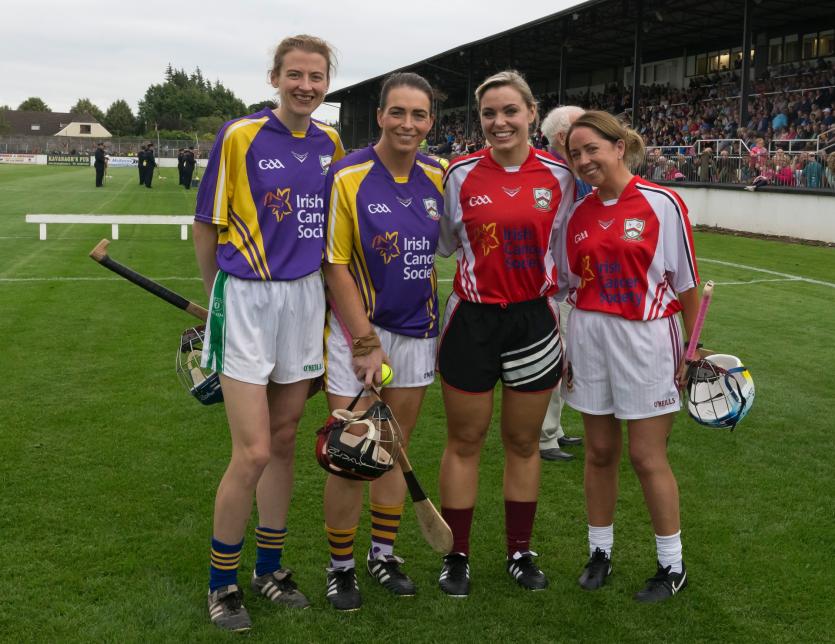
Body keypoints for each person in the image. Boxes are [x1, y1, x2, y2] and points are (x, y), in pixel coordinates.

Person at [193, 34, 345, 632]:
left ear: (327, 82)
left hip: (306, 300)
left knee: (283, 442)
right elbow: (207, 225)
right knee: (252, 449)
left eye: (316, 76)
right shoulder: (241, 136)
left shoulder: (332, 142)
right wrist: (214, 304)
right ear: (274, 77)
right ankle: (221, 583)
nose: (305, 86)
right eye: (295, 75)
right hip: (248, 297)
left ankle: (270, 568)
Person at [436, 70, 574, 597]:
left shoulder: (560, 177)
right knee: (464, 441)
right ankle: (457, 555)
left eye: (510, 111)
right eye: (489, 113)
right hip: (471, 320)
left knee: (522, 443)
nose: (500, 122)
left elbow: (564, 251)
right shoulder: (459, 173)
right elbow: (448, 243)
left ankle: (520, 551)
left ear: (531, 114)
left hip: (533, 321)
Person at [559, 110, 702, 603]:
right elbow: (567, 283)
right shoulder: (577, 213)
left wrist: (692, 345)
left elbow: (686, 284)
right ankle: (600, 551)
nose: (583, 161)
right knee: (599, 452)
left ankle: (671, 564)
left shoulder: (662, 203)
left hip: (645, 337)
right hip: (588, 336)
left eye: (591, 149)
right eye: (575, 154)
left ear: (619, 147)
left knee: (645, 455)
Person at [321, 71, 444, 611]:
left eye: (419, 115)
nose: (408, 124)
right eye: (398, 112)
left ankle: (383, 553)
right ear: (380, 115)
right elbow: (335, 263)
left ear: (430, 122)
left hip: (417, 331)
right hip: (358, 332)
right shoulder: (348, 175)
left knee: (394, 450)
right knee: (353, 453)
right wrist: (366, 342)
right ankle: (341, 567)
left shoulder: (438, 175)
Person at [537, 104, 589, 462]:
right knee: (554, 361)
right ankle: (544, 438)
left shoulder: (576, 171)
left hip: (572, 287)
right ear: (561, 137)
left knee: (567, 360)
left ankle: (554, 429)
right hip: (554, 289)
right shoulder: (549, 174)